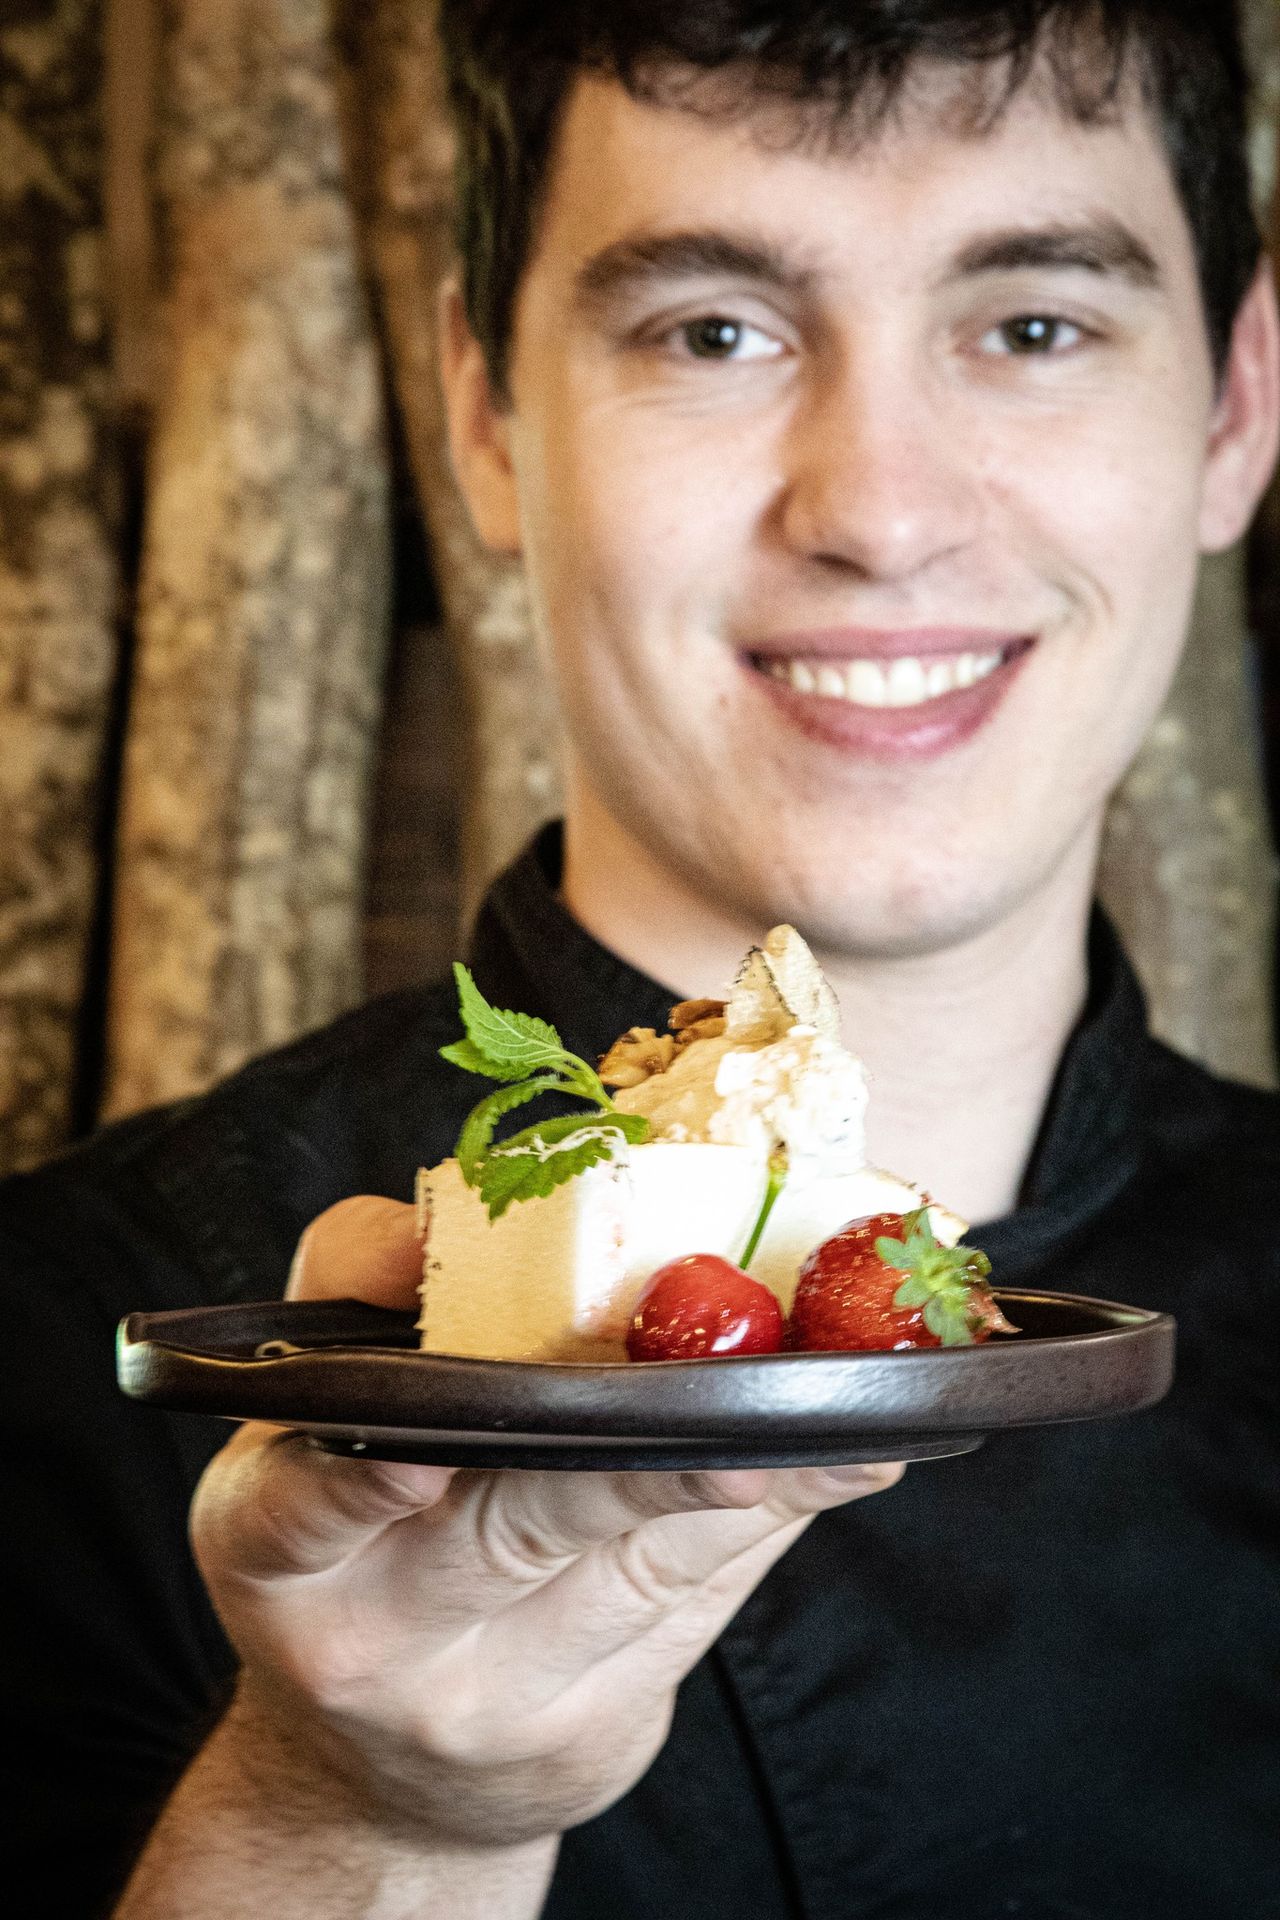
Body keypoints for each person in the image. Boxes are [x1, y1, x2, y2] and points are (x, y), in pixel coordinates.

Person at [3, 1, 1279, 1915]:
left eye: (1030, 325)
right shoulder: (44, 1362)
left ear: (1233, 407)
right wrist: (352, 1818)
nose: (879, 510)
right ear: (485, 420)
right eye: (715, 331)